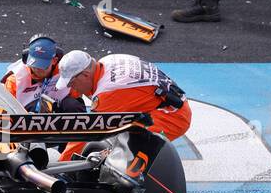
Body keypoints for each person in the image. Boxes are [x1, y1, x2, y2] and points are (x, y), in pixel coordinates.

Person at [52, 50, 191, 161]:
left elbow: (87, 134)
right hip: (167, 100)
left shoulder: (107, 94)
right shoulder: (107, 61)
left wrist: (62, 164)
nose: (71, 87)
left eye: (71, 83)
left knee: (120, 155)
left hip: (172, 117)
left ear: (85, 75)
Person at [1, 34, 83, 113]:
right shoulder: (15, 79)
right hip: (27, 116)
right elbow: (6, 109)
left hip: (60, 109)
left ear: (54, 60)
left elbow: (77, 98)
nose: (37, 69)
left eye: (42, 65)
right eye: (34, 64)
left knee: (72, 105)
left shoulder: (66, 72)